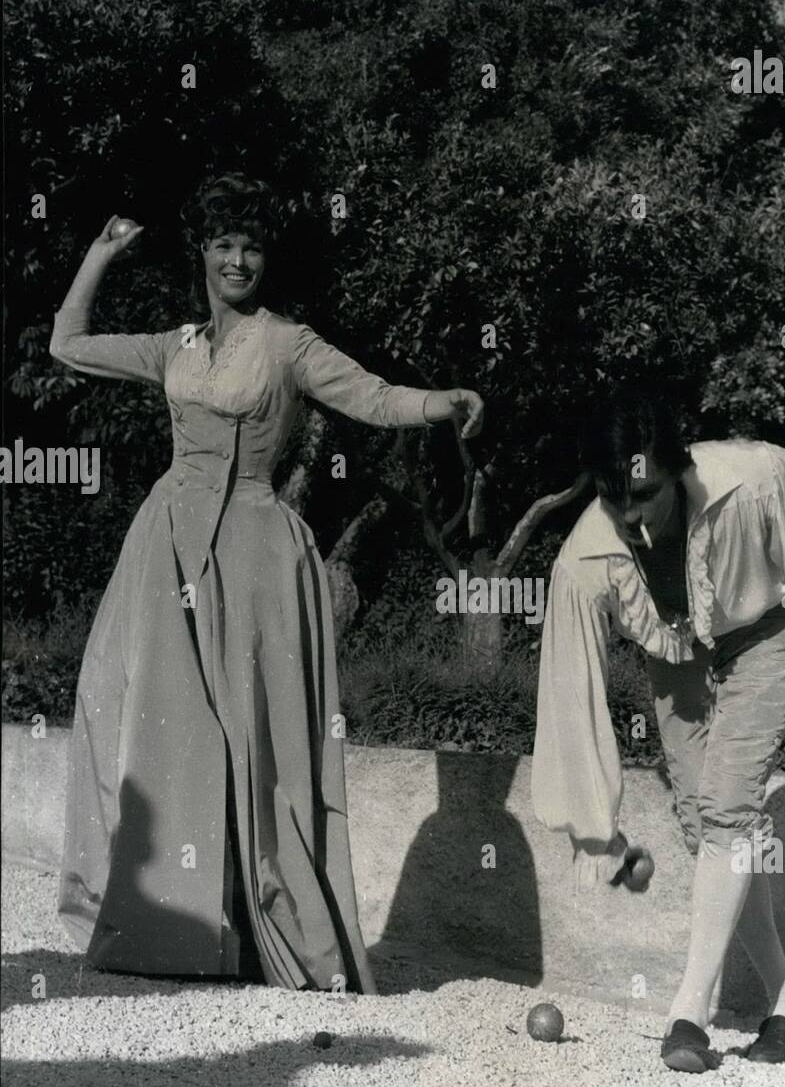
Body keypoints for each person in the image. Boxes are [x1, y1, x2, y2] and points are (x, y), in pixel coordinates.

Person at [51, 172, 484, 992]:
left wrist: (443, 403)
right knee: (149, 718)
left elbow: (374, 396)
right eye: (223, 244)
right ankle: (170, 926)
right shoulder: (174, 345)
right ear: (204, 254)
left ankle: (260, 927)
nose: (237, 259)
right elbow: (65, 347)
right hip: (166, 547)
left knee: (258, 732)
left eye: (250, 245)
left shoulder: (289, 344)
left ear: (265, 257)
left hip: (255, 553)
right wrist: (97, 257)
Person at [531, 385, 785, 1071]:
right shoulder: (581, 561)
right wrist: (596, 824)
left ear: (676, 471)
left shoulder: (752, 476)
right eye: (615, 501)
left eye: (644, 499)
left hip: (767, 632)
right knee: (699, 819)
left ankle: (689, 1009)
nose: (631, 517)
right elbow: (571, 689)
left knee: (728, 805)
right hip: (677, 648)